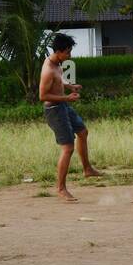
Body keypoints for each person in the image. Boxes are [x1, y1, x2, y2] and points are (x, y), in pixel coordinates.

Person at [39, 32, 100, 202]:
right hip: (54, 111)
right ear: (58, 51)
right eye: (67, 52)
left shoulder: (57, 63)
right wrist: (67, 97)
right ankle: (61, 188)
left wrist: (70, 86)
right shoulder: (48, 70)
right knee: (67, 148)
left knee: (83, 132)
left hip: (63, 106)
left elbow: (58, 82)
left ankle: (87, 169)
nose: (70, 55)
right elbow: (43, 96)